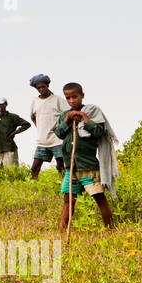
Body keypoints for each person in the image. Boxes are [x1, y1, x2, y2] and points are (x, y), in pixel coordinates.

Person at [53, 82, 119, 230]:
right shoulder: (65, 115)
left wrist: (84, 118)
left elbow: (98, 132)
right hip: (71, 167)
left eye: (75, 97)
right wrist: (67, 119)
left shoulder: (92, 112)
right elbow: (59, 133)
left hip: (88, 166)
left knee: (99, 198)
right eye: (68, 98)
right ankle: (61, 231)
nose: (72, 101)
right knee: (68, 200)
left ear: (82, 96)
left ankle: (110, 229)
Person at [28, 74, 68, 179]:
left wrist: (60, 127)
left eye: (43, 87)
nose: (41, 89)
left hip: (57, 139)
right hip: (42, 140)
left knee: (60, 165)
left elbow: (68, 113)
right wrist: (40, 127)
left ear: (48, 85)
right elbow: (32, 117)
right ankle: (33, 187)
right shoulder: (35, 101)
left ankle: (63, 184)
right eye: (38, 88)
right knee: (34, 168)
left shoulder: (57, 99)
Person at [0, 98, 30, 181]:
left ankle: (13, 188)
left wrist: (14, 132)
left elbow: (26, 124)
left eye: (2, 104)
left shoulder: (12, 117)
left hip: (9, 147)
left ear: (6, 104)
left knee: (11, 170)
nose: (0, 106)